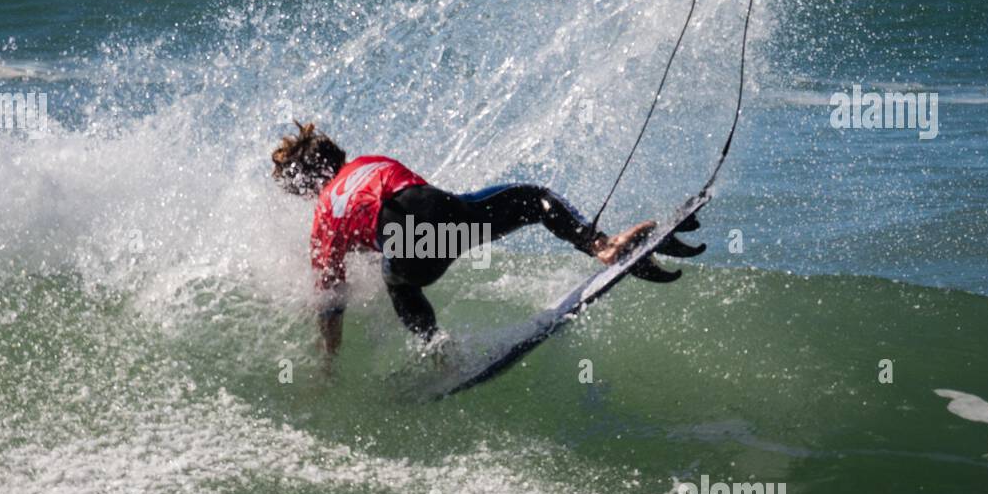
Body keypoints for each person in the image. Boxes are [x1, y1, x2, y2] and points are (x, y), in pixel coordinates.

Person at [271, 121, 703, 358]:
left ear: (308, 186)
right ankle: (602, 246)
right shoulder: (369, 162)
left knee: (399, 279)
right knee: (533, 200)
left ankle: (438, 350)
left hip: (410, 247)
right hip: (441, 213)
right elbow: (419, 198)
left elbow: (331, 297)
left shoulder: (325, 213)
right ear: (338, 158)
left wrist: (329, 357)